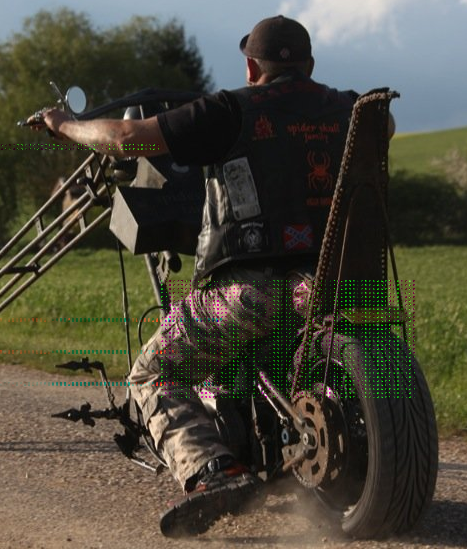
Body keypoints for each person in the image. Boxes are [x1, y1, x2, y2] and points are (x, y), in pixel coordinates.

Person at [33, 15, 389, 536]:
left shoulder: (229, 110)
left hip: (252, 292)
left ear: (250, 66)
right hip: (330, 283)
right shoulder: (352, 110)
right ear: (310, 65)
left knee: (154, 373)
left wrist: (64, 124)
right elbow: (388, 127)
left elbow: (128, 137)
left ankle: (212, 471)